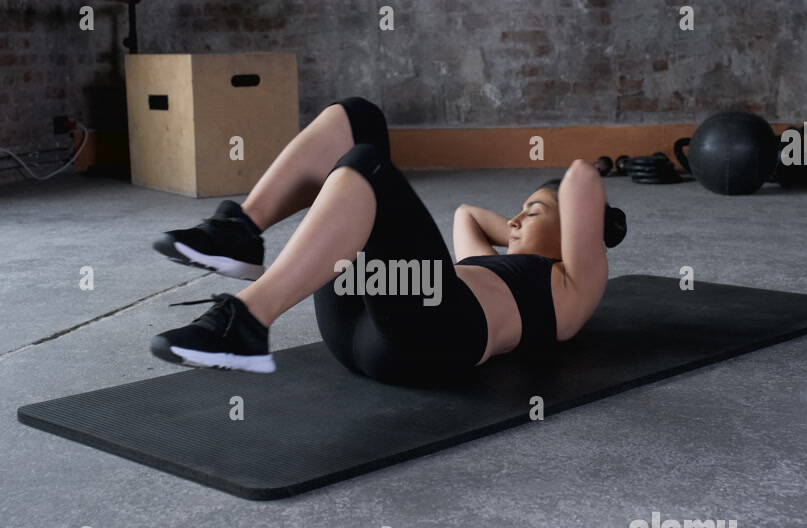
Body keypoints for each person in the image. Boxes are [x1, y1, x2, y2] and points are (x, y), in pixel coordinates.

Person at [150, 97, 625, 383]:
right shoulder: (486, 262)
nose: (516, 217)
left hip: (431, 342)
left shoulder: (571, 287)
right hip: (361, 324)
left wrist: (575, 212)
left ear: (577, 234)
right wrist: (522, 228)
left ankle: (248, 320)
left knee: (367, 167)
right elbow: (467, 216)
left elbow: (582, 175)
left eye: (534, 210)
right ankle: (242, 229)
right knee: (359, 118)